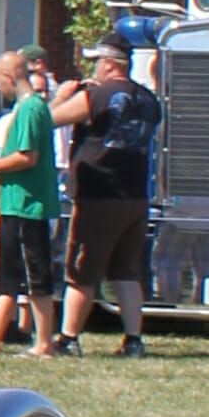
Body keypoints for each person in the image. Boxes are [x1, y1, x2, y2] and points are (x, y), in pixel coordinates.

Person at [58, 38, 161, 357]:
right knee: (126, 271)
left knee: (82, 271)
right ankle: (133, 340)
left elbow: (48, 119)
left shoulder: (98, 95)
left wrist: (63, 96)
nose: (94, 68)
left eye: (97, 62)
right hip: (136, 195)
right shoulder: (148, 99)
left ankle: (68, 339)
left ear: (109, 63)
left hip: (99, 195)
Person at [0, 46, 65, 361]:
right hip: (15, 203)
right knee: (9, 277)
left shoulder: (30, 109)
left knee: (35, 275)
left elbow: (28, 157)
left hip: (28, 203)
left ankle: (44, 343)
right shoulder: (29, 109)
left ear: (9, 76)